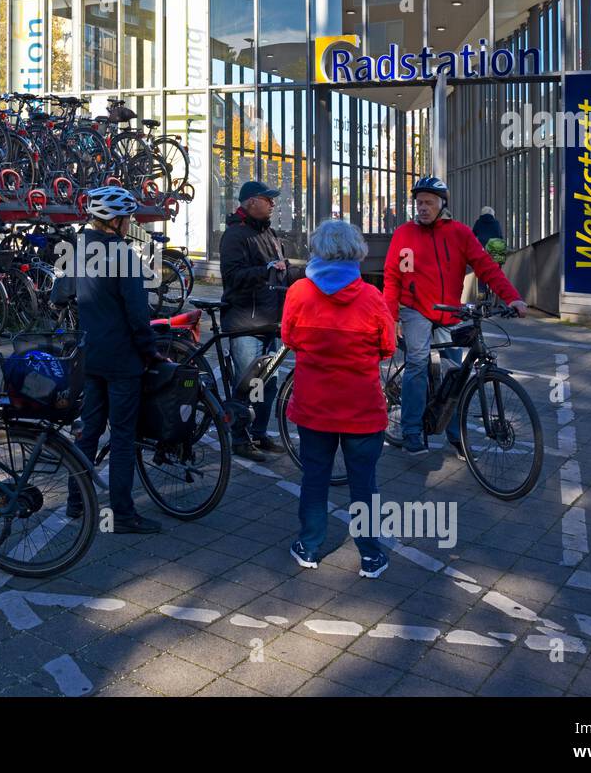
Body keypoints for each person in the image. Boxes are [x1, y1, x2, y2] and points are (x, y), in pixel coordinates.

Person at [282, 221, 395, 578]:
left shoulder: (299, 292)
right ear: (355, 251)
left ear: (317, 249)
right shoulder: (372, 297)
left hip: (315, 407)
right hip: (362, 408)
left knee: (315, 477)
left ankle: (310, 545)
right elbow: (387, 347)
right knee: (365, 482)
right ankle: (371, 554)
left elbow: (289, 338)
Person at [385, 177, 528, 456]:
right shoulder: (405, 234)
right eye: (419, 202)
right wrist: (392, 317)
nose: (422, 208)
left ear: (442, 204)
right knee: (417, 362)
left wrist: (512, 297)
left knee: (456, 373)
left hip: (449, 309)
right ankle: (412, 430)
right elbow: (392, 277)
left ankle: (455, 435)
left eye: (429, 202)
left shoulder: (460, 233)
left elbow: (487, 267)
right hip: (414, 309)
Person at [68, 185, 162, 534]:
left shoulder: (78, 249)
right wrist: (150, 350)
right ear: (117, 220)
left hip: (91, 354)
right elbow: (138, 315)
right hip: (123, 359)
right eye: (128, 217)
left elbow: (65, 295)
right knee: (122, 436)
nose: (131, 223)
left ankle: (75, 502)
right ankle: (122, 514)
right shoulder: (124, 255)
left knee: (89, 430)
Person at [219, 180, 299, 462]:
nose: (273, 203)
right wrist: (265, 270)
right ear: (251, 202)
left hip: (269, 322)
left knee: (269, 384)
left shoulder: (269, 233)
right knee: (247, 383)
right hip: (245, 323)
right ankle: (240, 439)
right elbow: (232, 277)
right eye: (268, 199)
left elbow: (280, 271)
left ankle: (259, 432)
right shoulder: (234, 236)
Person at [464, 206, 506, 302]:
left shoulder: (479, 222)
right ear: (492, 214)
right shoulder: (496, 223)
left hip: (483, 250)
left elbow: (472, 235)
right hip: (495, 250)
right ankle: (496, 290)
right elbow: (500, 236)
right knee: (496, 270)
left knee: (482, 270)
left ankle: (481, 291)